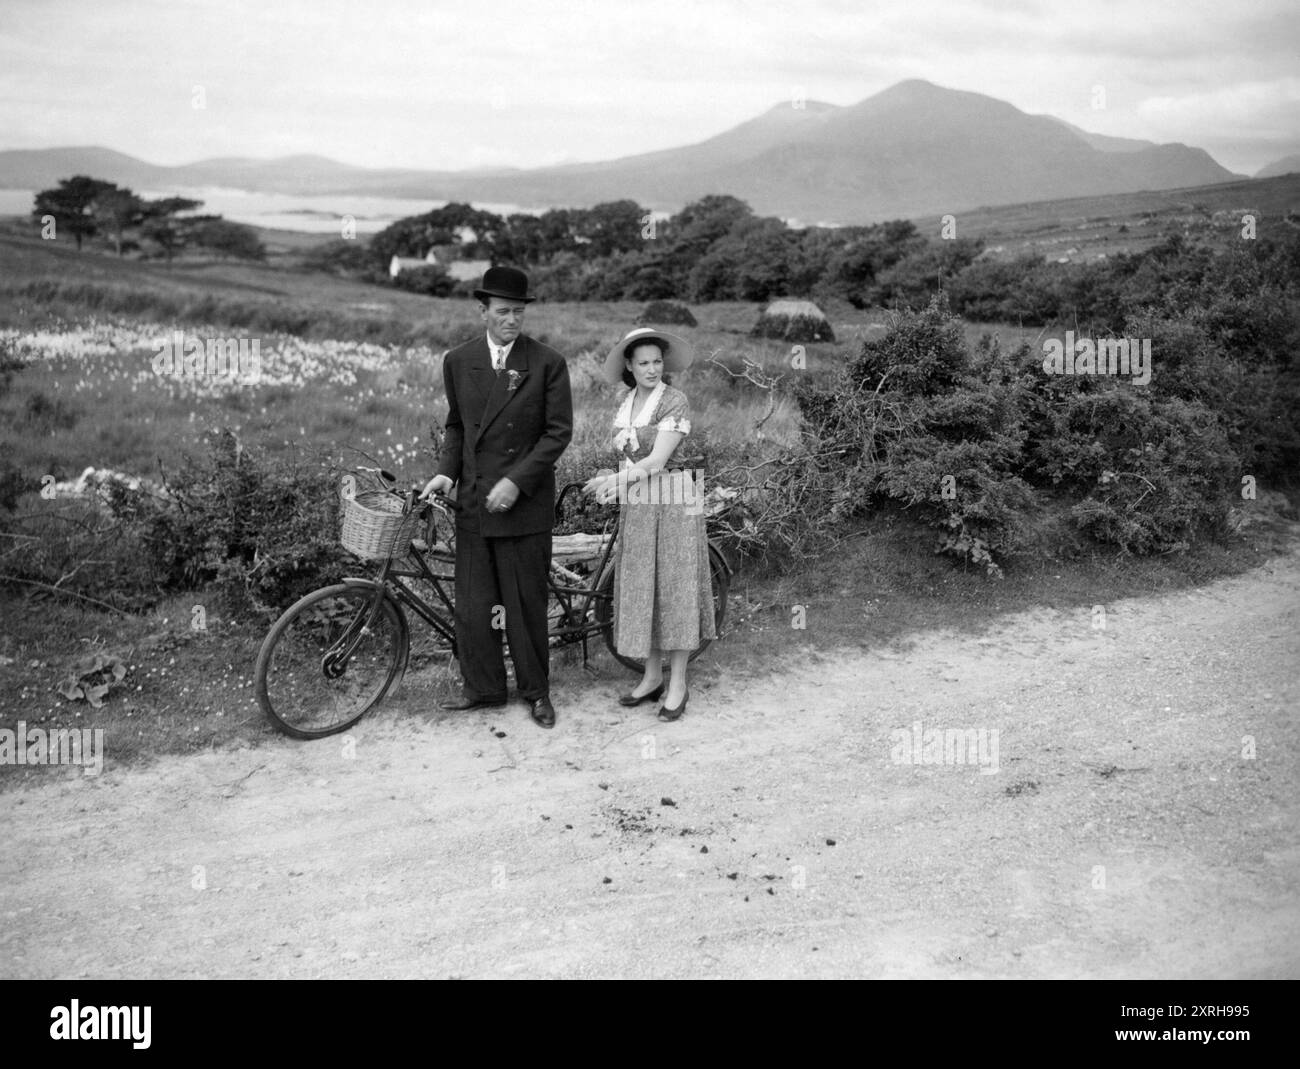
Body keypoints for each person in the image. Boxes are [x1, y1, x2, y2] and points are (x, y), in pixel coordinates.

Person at [422, 266, 572, 729]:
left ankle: (536, 692)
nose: (512, 320)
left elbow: (557, 434)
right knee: (474, 605)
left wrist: (516, 481)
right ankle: (485, 689)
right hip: (473, 504)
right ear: (482, 311)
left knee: (525, 604)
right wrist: (446, 473)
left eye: (519, 312)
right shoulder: (457, 360)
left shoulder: (547, 363)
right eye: (503, 312)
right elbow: (457, 424)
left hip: (523, 507)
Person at [584, 327, 714, 721]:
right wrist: (616, 479)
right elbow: (633, 461)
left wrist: (614, 481)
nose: (652, 369)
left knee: (673, 586)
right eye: (644, 362)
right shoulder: (625, 402)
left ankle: (678, 683)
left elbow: (657, 462)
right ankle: (652, 676)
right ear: (629, 365)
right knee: (646, 585)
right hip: (641, 503)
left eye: (658, 361)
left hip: (674, 500)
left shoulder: (675, 401)